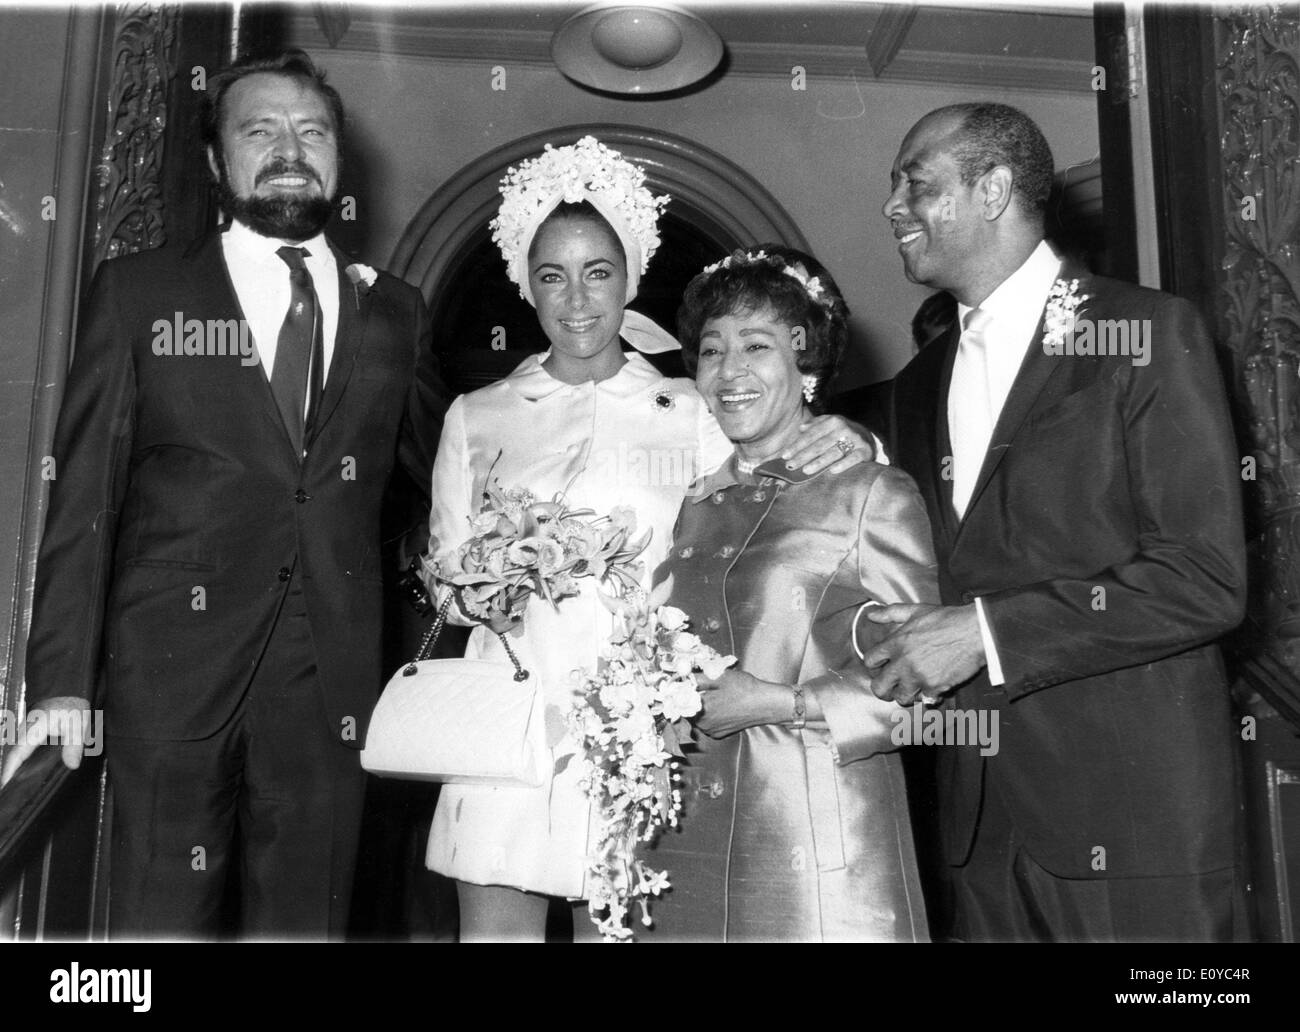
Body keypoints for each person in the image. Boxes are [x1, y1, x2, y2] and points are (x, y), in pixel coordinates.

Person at [1, 50, 447, 938]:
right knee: (156, 922)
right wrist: (60, 682)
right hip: (167, 673)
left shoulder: (396, 309)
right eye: (261, 129)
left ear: (339, 158)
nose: (291, 147)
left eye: (312, 130)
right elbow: (85, 493)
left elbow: (450, 475)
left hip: (333, 683)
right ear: (215, 162)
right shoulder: (141, 292)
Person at [422, 138, 872, 941]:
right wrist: (493, 572)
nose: (577, 301)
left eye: (598, 272)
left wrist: (851, 441)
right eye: (553, 275)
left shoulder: (690, 407)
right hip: (506, 721)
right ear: (525, 283)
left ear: (629, 277)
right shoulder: (476, 415)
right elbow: (448, 590)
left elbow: (781, 504)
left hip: (634, 725)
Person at [866, 101, 1247, 941]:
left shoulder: (1146, 331)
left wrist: (984, 635)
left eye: (916, 184)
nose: (892, 206)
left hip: (1133, 821)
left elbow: (1206, 578)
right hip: (977, 837)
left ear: (995, 188)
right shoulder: (917, 385)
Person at [640, 249, 937, 942]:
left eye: (757, 346)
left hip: (820, 848)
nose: (728, 371)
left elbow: (924, 688)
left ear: (806, 366)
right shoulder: (695, 503)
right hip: (690, 841)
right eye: (711, 350)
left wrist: (781, 703)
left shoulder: (869, 491)